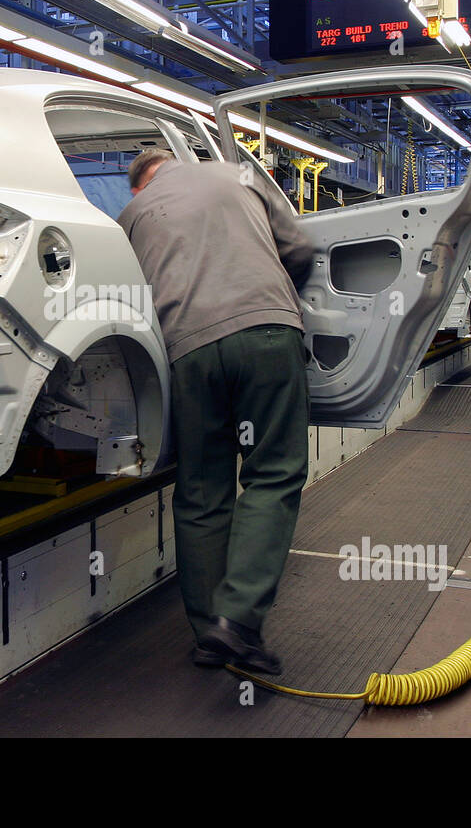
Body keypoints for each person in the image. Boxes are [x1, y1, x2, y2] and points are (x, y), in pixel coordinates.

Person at [117, 150, 314, 676]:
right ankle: (239, 619)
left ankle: (209, 634)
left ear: (141, 186)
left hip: (187, 352)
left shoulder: (131, 216)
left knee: (202, 489)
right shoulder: (238, 172)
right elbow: (301, 247)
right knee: (272, 473)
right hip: (267, 334)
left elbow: (128, 301)